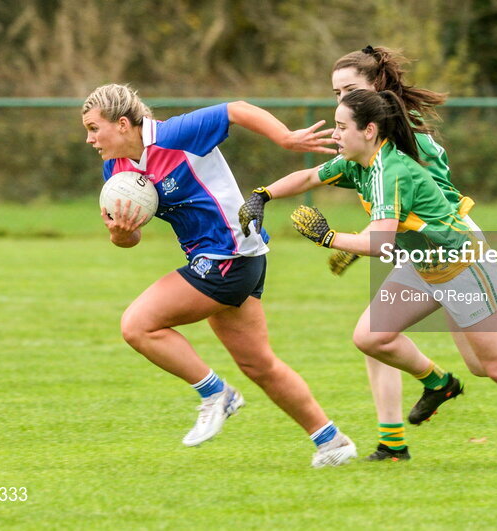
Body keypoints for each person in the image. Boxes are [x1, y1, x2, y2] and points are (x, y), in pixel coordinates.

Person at [242, 46, 497, 463]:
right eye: (337, 94)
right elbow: (322, 182)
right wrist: (262, 195)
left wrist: (340, 239)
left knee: (495, 365)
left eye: (349, 93)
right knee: (376, 338)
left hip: (459, 260)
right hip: (421, 260)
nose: (340, 105)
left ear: (373, 103)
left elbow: (411, 215)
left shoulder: (405, 151)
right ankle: (418, 410)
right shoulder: (362, 153)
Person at [81, 83, 356, 467]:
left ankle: (215, 393)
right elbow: (130, 239)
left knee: (138, 325)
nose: (90, 139)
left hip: (229, 255)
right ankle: (332, 442)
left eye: (94, 128)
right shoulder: (116, 169)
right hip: (228, 259)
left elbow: (237, 109)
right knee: (259, 364)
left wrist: (285, 137)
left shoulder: (176, 134)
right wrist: (120, 234)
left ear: (123, 124)